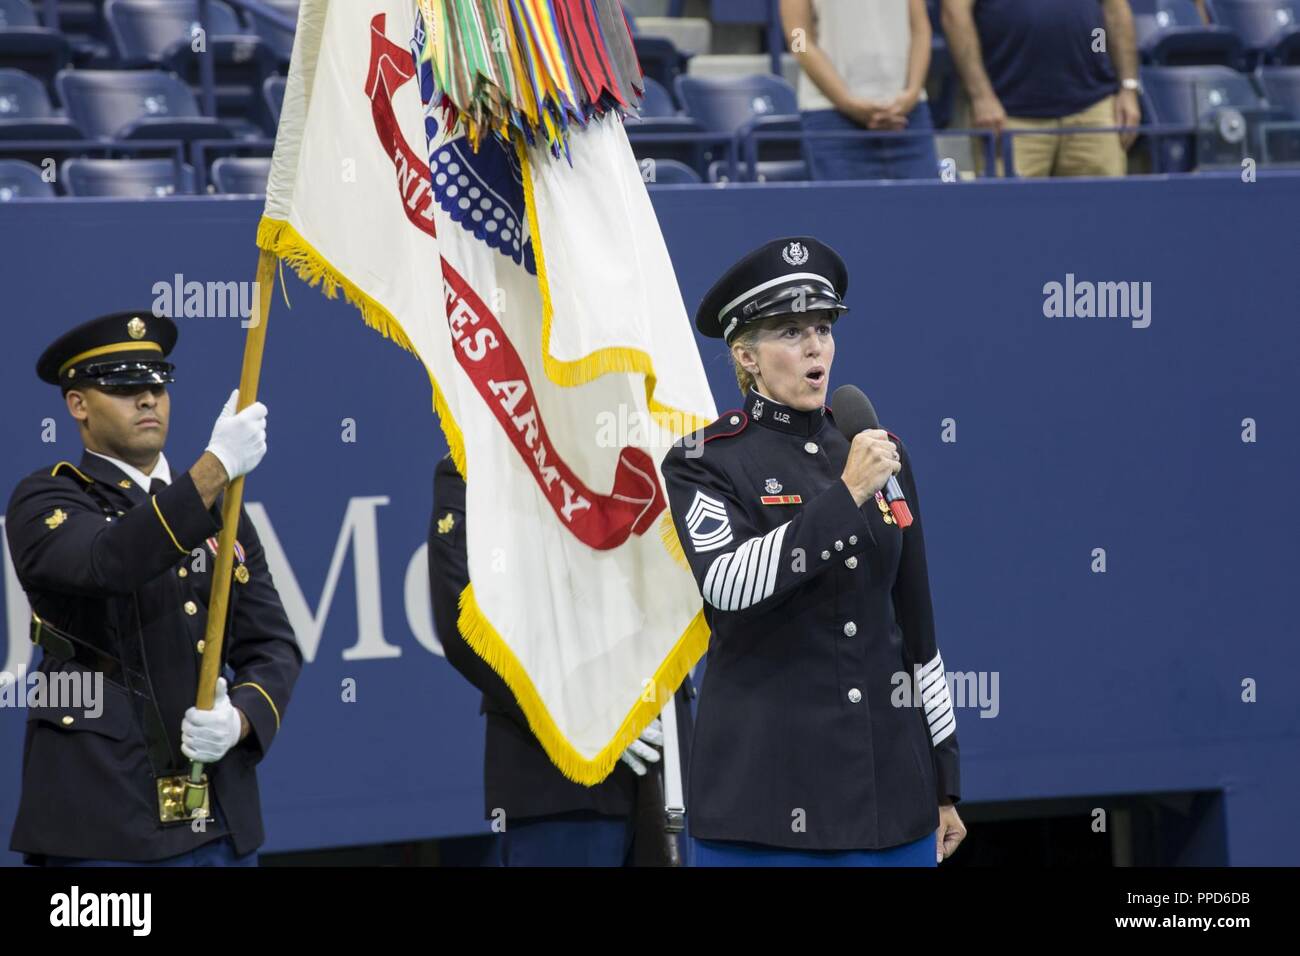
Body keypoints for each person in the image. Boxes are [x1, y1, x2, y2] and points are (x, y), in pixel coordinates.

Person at [660, 237, 966, 866]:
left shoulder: (878, 451)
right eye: (790, 331)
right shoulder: (705, 461)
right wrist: (848, 493)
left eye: (823, 328)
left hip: (892, 802)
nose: (814, 346)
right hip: (767, 809)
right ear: (745, 355)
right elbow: (727, 584)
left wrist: (944, 783)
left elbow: (918, 626)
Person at [5, 310, 301, 866]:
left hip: (217, 821)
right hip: (103, 823)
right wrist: (215, 467)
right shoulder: (47, 500)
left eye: (157, 384)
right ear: (78, 405)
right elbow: (109, 562)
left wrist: (239, 719)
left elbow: (272, 645)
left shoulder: (220, 510)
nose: (147, 399)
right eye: (122, 386)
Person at [428, 455, 694, 866]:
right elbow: (462, 621)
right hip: (558, 786)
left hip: (668, 767)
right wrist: (576, 714)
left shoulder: (641, 436)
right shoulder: (478, 454)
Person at [942, 0, 1141, 177]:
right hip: (1007, 116)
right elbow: (954, 13)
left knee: (1103, 211)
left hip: (1094, 110)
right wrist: (981, 96)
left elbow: (1116, 9)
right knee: (1008, 214)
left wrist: (1128, 87)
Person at [782, 0, 938, 180]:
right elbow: (797, 38)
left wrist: (912, 92)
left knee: (921, 206)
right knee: (844, 208)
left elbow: (921, 29)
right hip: (831, 118)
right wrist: (846, 101)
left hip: (908, 114)